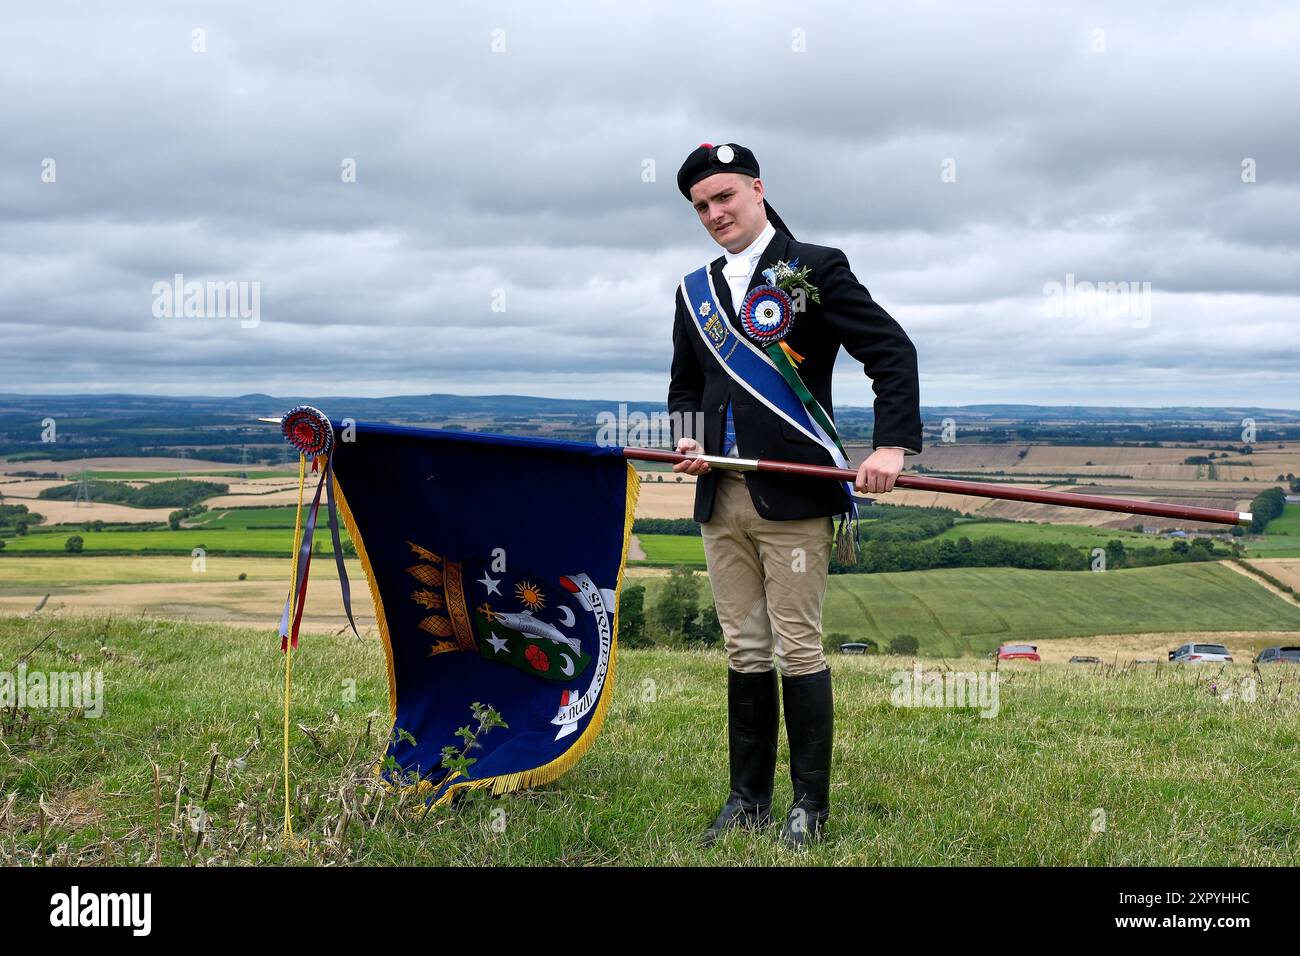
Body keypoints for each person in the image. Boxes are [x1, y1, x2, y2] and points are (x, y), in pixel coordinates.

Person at [667, 142, 922, 849]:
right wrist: (689, 439)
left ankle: (809, 807)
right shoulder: (694, 289)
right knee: (744, 648)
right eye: (702, 207)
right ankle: (746, 799)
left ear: (757, 189)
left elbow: (891, 353)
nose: (715, 214)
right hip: (721, 496)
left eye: (725, 198)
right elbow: (687, 383)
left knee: (798, 649)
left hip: (798, 496)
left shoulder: (816, 267)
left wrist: (892, 445)